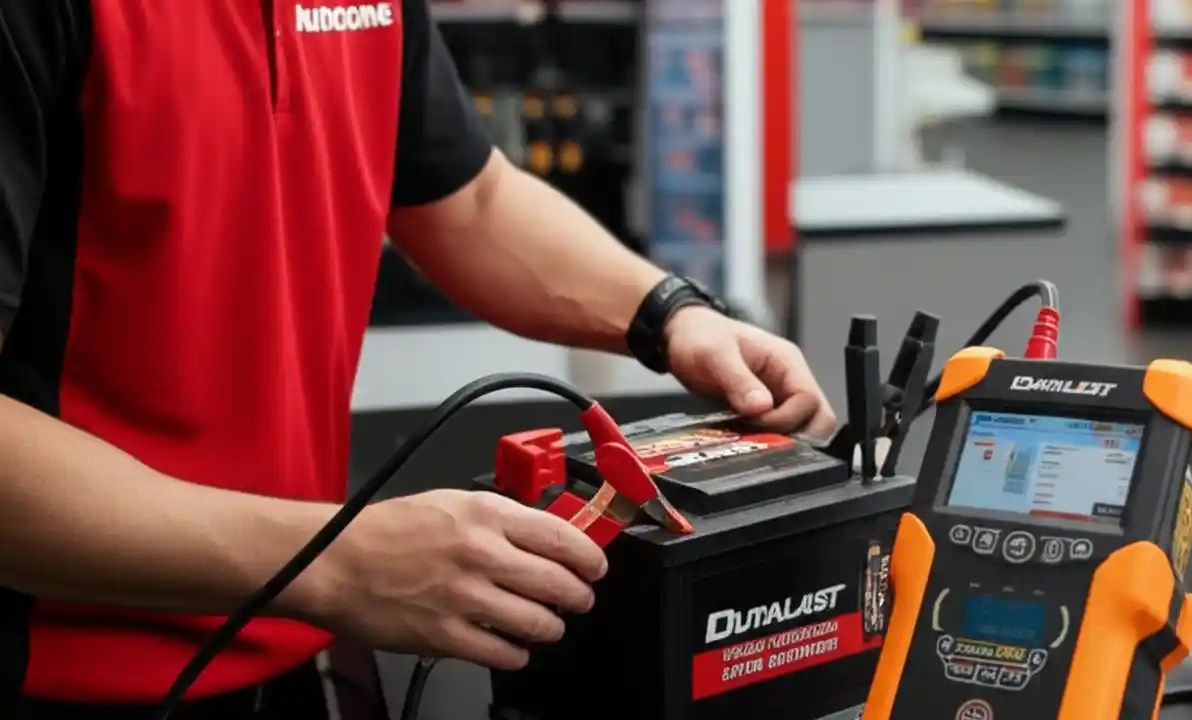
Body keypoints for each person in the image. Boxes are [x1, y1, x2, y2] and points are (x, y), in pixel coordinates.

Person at [0, 1, 836, 717]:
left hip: (283, 656)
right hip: (57, 674)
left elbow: (466, 198)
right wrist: (340, 560)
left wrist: (671, 314)